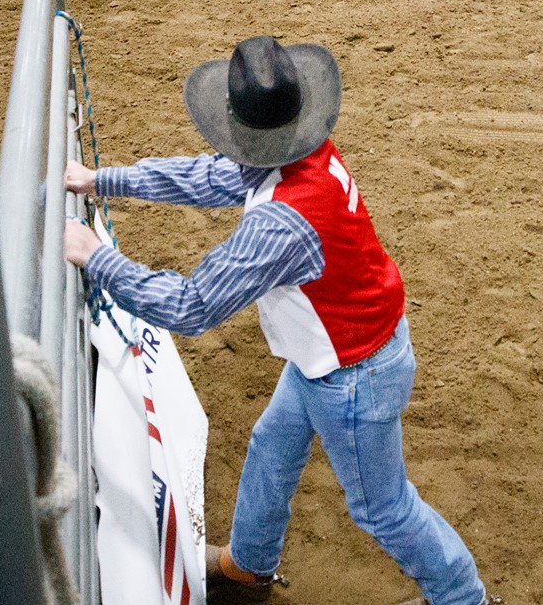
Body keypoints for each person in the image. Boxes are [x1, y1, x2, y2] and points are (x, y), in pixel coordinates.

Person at [62, 36, 488, 605]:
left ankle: (463, 598)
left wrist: (98, 257)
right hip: (342, 355)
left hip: (349, 374)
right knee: (271, 447)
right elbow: (207, 178)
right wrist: (103, 180)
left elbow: (192, 305)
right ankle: (248, 564)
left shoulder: (281, 223)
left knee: (383, 508)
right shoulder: (302, 153)